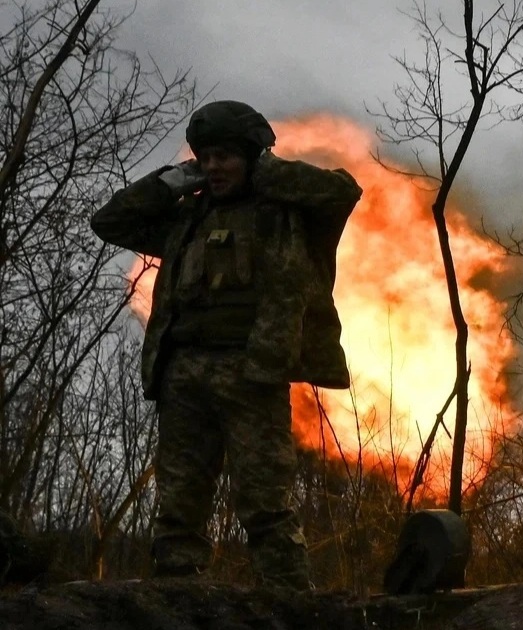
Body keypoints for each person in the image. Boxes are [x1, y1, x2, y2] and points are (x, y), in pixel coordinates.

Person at [91, 100, 362, 590]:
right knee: (178, 505)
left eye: (226, 157)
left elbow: (342, 191)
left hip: (252, 375)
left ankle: (290, 606)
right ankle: (178, 599)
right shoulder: (186, 219)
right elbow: (109, 222)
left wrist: (267, 171)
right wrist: (171, 181)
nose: (214, 167)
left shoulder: (286, 215)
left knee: (264, 503)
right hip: (184, 376)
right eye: (206, 157)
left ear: (251, 156)